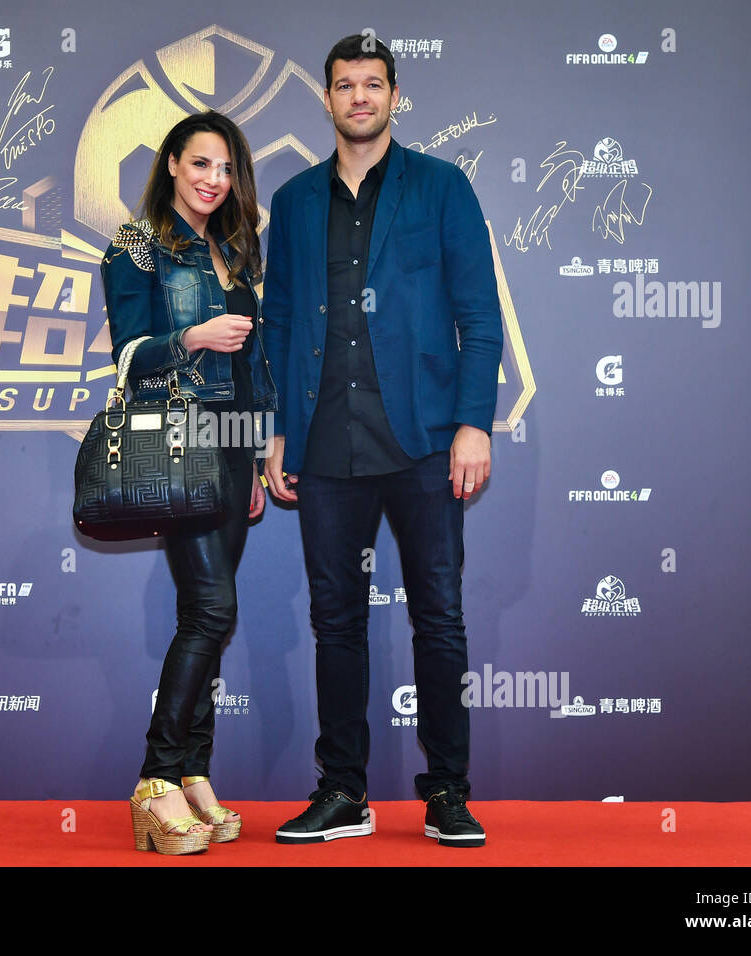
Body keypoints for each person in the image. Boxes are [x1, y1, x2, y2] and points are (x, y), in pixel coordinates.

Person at [262, 35, 503, 846]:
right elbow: (282, 321)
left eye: (372, 84)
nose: (358, 97)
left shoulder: (442, 187)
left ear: (394, 95)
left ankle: (447, 793)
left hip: (427, 440)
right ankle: (342, 793)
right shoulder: (293, 202)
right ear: (326, 99)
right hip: (326, 443)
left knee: (438, 617)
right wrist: (278, 430)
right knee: (336, 623)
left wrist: (474, 423)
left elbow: (480, 318)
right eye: (344, 85)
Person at [101, 111, 278, 854]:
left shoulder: (235, 244)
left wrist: (263, 445)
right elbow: (129, 356)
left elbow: (255, 357)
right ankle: (156, 779)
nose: (214, 180)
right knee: (210, 609)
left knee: (210, 612)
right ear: (172, 162)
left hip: (233, 440)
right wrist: (192, 339)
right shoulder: (137, 244)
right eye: (201, 163)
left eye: (227, 168)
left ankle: (193, 772)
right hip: (178, 438)